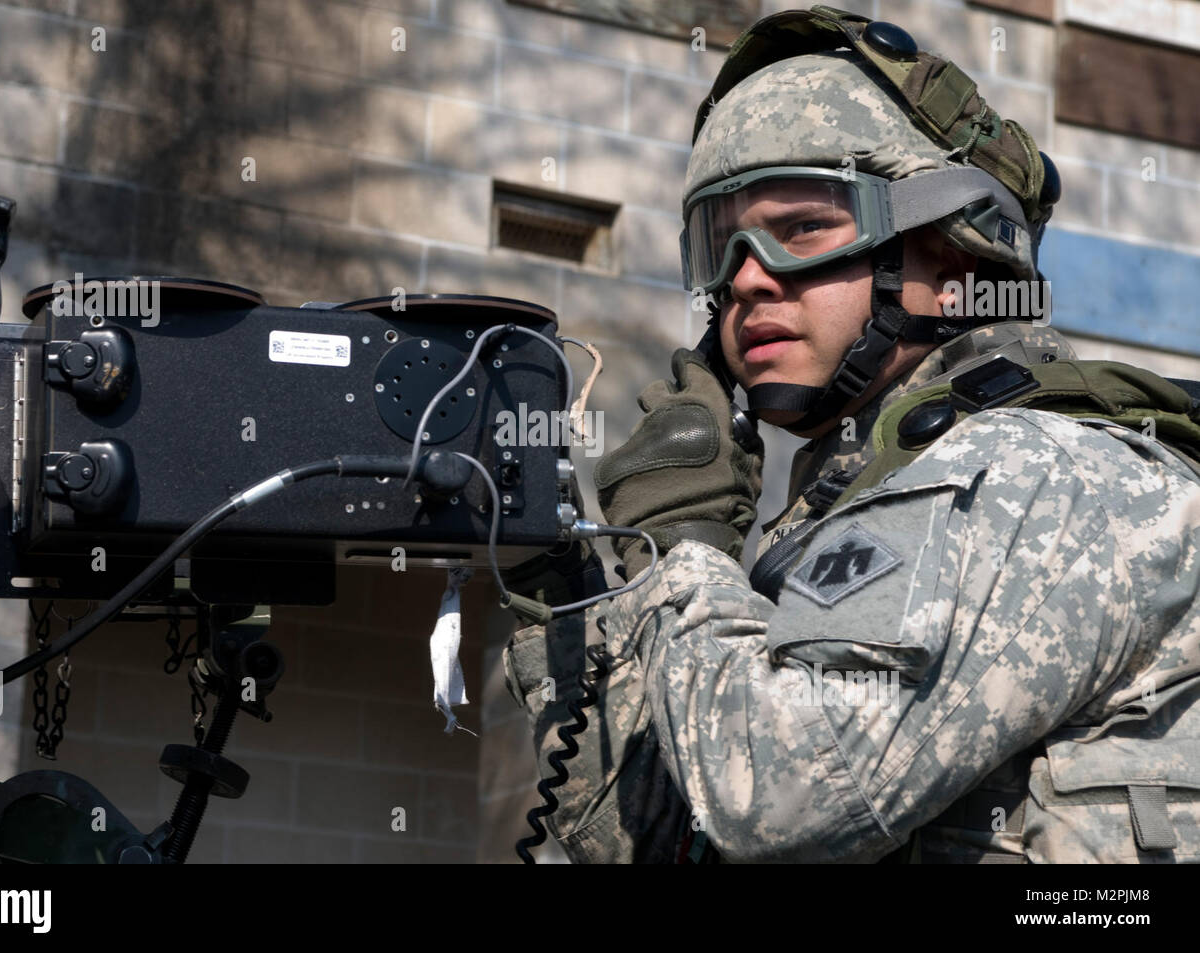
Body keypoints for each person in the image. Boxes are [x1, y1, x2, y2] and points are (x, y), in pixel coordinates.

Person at [501, 6, 1200, 863]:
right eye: (719, 248)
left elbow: (783, 802)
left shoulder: (1026, 471)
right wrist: (561, 589)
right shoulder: (858, 497)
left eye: (802, 230)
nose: (748, 279)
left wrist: (682, 551)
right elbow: (668, 841)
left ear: (950, 263)